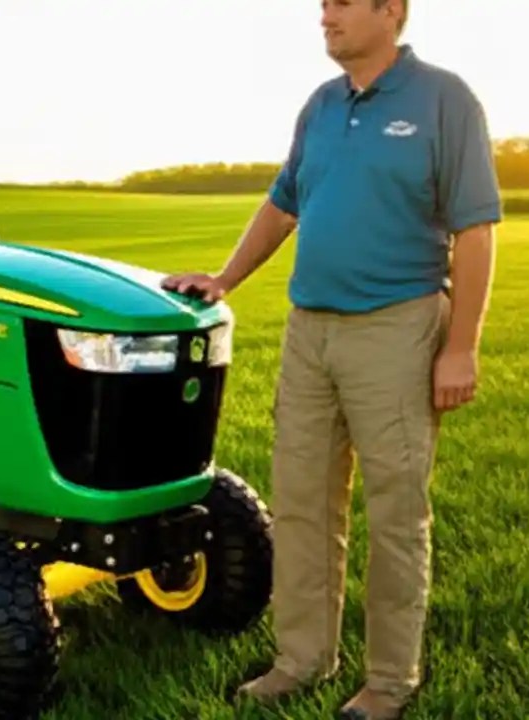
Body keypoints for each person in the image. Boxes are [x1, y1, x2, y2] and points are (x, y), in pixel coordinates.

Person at [161, 1, 501, 718]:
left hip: (399, 328)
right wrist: (225, 278)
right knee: (303, 503)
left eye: (343, 3)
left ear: (392, 11)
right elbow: (284, 204)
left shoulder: (445, 99)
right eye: (323, 4)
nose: (325, 15)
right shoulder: (319, 105)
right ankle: (303, 661)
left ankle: (387, 682)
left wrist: (462, 346)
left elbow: (475, 229)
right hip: (309, 331)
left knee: (395, 512)